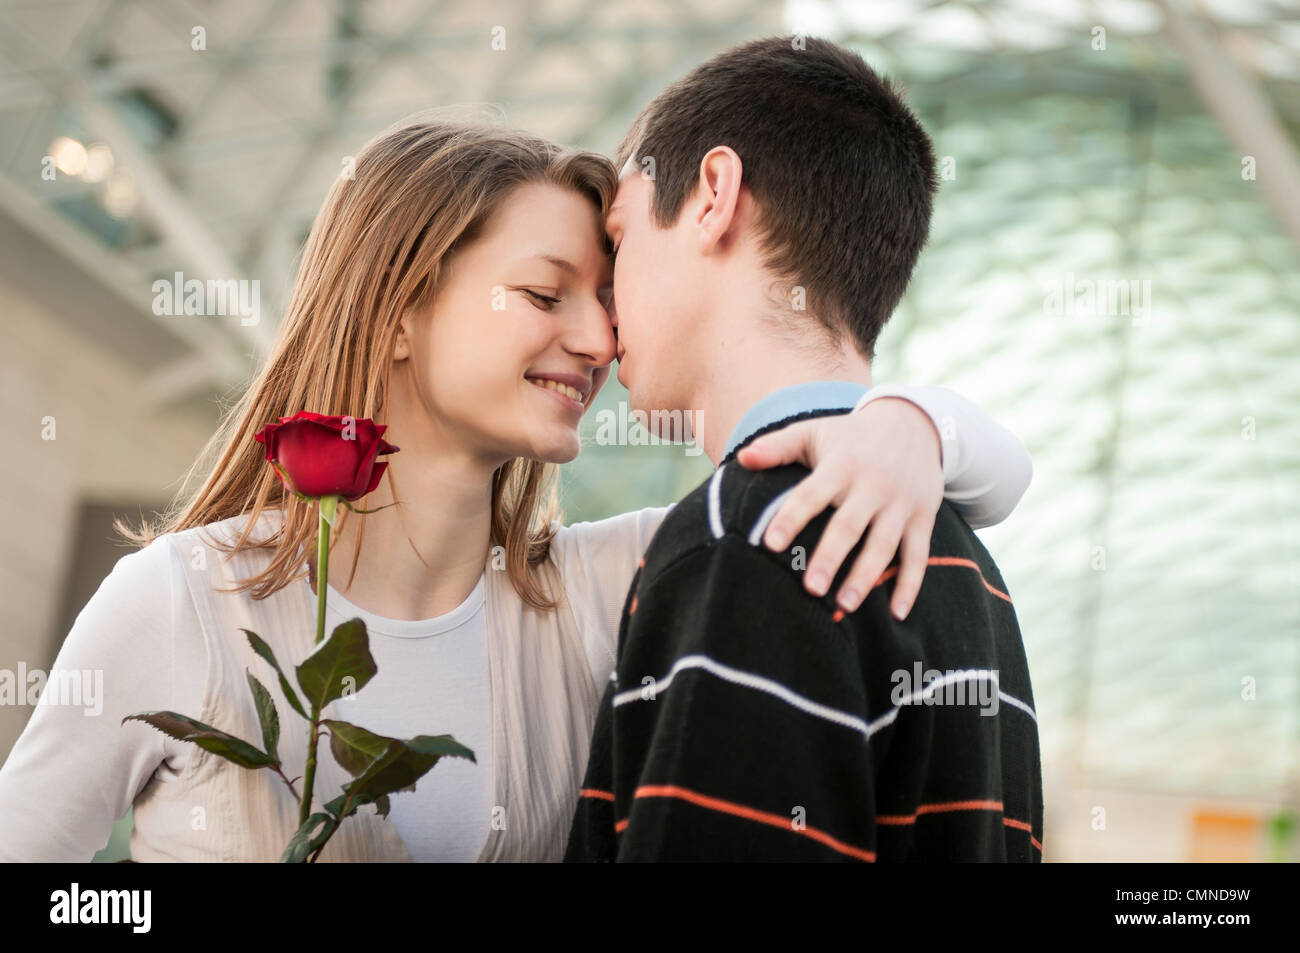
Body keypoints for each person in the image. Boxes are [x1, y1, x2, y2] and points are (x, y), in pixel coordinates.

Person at [0, 116, 1030, 863]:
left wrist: (910, 427)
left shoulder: (615, 580)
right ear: (397, 308)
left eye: (605, 298)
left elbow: (1004, 472)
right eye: (545, 294)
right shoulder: (179, 599)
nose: (597, 340)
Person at [566, 36, 1043, 862]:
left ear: (714, 194)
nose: (605, 308)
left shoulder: (752, 535)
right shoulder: (969, 568)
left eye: (620, 238)